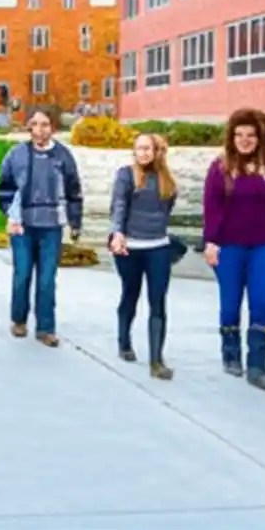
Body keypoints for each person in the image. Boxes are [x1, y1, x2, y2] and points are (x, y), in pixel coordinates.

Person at [202, 108, 265, 390]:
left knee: (262, 303)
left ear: (260, 137)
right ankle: (231, 353)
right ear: (231, 137)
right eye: (239, 134)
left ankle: (257, 364)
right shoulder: (220, 168)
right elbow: (211, 208)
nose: (244, 140)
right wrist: (210, 242)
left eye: (250, 135)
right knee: (230, 304)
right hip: (228, 246)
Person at [0, 107, 84, 347]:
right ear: (29, 127)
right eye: (35, 124)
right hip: (23, 224)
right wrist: (10, 214)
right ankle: (19, 319)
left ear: (52, 128)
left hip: (51, 225)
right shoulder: (17, 155)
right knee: (22, 273)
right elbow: (4, 187)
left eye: (45, 124)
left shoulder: (63, 156)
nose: (40, 129)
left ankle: (46, 327)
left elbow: (74, 190)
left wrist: (75, 222)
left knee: (47, 278)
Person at [109, 133, 178, 380]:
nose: (144, 153)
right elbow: (118, 205)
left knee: (158, 301)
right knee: (131, 293)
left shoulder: (166, 179)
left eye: (148, 148)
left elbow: (167, 208)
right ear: (134, 151)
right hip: (130, 246)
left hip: (158, 246)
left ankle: (156, 360)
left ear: (157, 151)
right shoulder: (126, 175)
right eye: (140, 148)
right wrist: (118, 233)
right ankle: (124, 340)